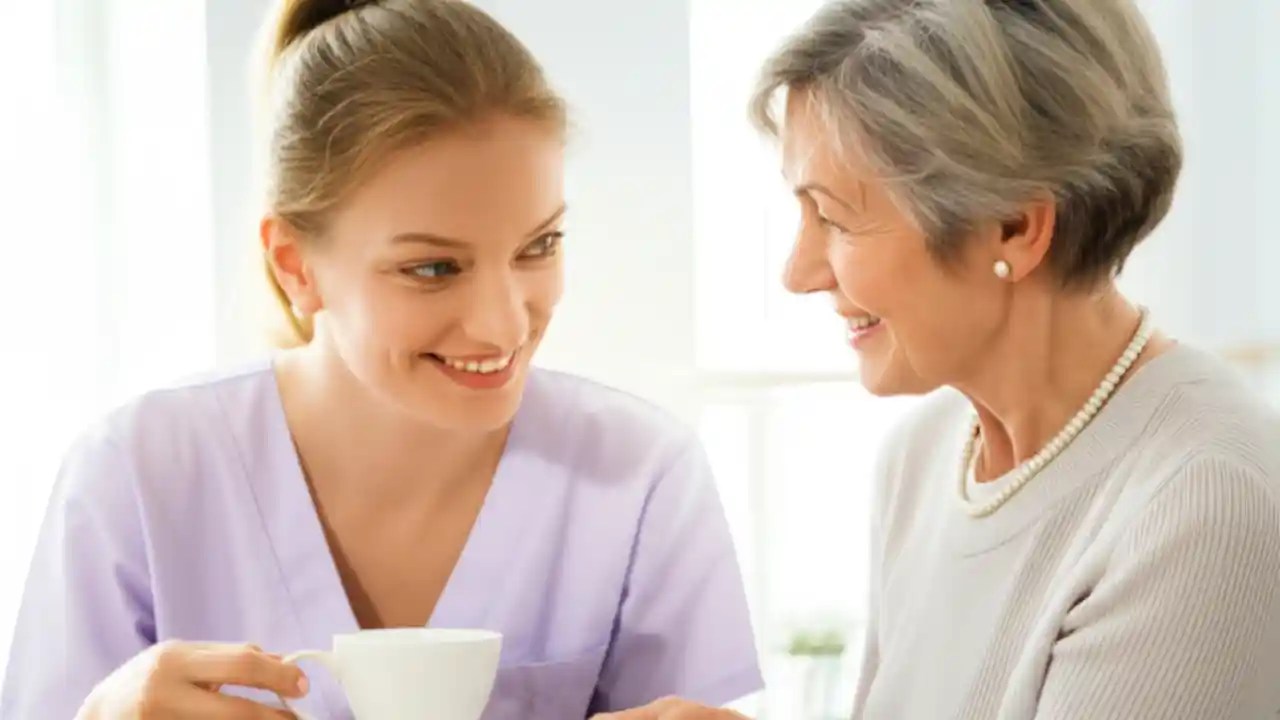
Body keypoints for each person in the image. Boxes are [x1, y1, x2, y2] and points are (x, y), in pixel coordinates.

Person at [0, 1, 763, 718]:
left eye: (539, 246)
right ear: (295, 265)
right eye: (433, 268)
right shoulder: (137, 471)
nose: (503, 325)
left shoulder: (642, 475)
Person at [598, 0, 1280, 719]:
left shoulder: (1207, 503)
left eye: (832, 217)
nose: (799, 272)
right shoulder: (925, 458)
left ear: (1014, 227)